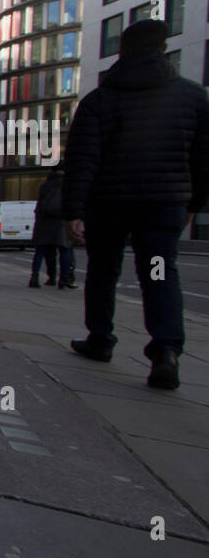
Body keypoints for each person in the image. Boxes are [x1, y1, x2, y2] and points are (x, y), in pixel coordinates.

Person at [63, 19, 209, 389]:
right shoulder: (192, 97)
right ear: (163, 48)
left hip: (108, 204)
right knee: (159, 272)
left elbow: (83, 159)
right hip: (163, 205)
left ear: (121, 51)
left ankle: (100, 338)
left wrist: (74, 211)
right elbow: (203, 159)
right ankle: (165, 350)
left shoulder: (99, 101)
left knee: (103, 271)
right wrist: (193, 201)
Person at [29, 167, 70, 287]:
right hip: (62, 222)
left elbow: (40, 203)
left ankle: (36, 277)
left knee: (41, 251)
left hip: (44, 222)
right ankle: (63, 279)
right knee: (65, 250)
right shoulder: (68, 184)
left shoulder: (45, 185)